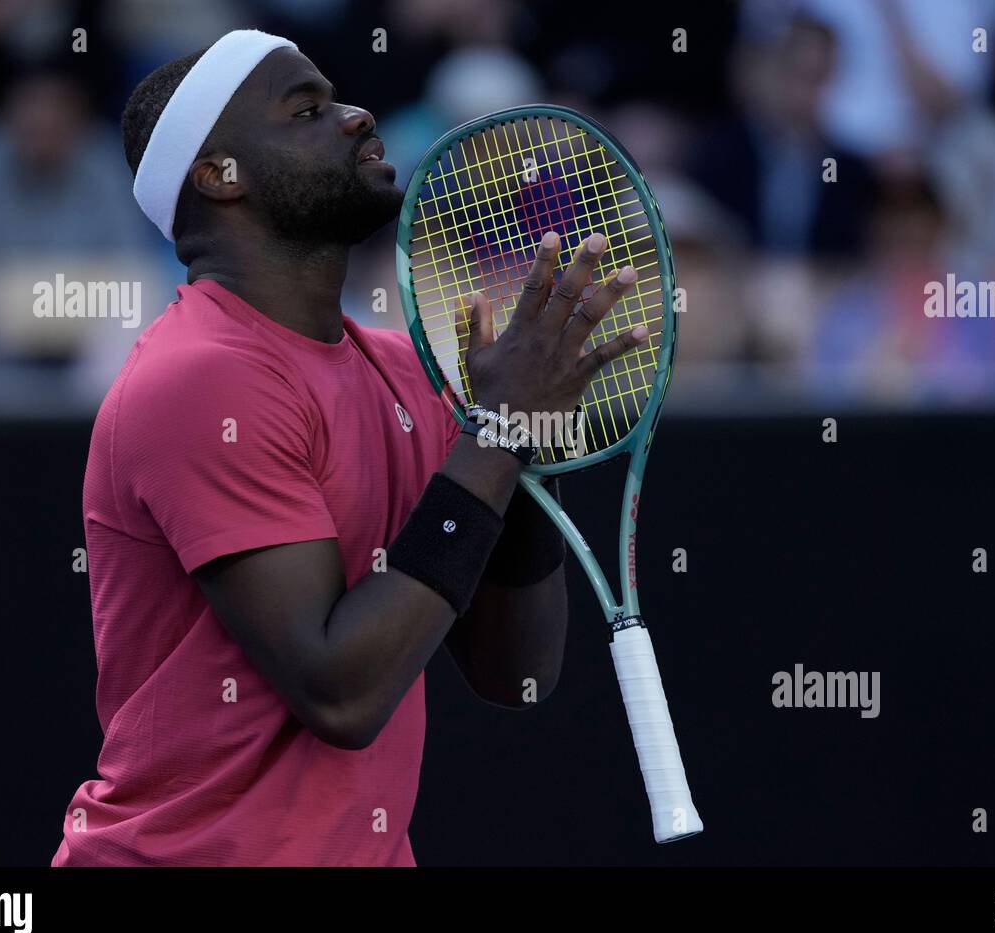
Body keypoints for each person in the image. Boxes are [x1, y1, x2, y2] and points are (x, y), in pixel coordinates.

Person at [53, 30, 648, 866]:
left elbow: (514, 673)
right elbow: (340, 690)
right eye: (307, 110)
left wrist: (522, 441)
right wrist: (501, 428)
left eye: (336, 97)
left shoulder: (412, 371)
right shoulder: (200, 379)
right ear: (221, 176)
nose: (356, 115)